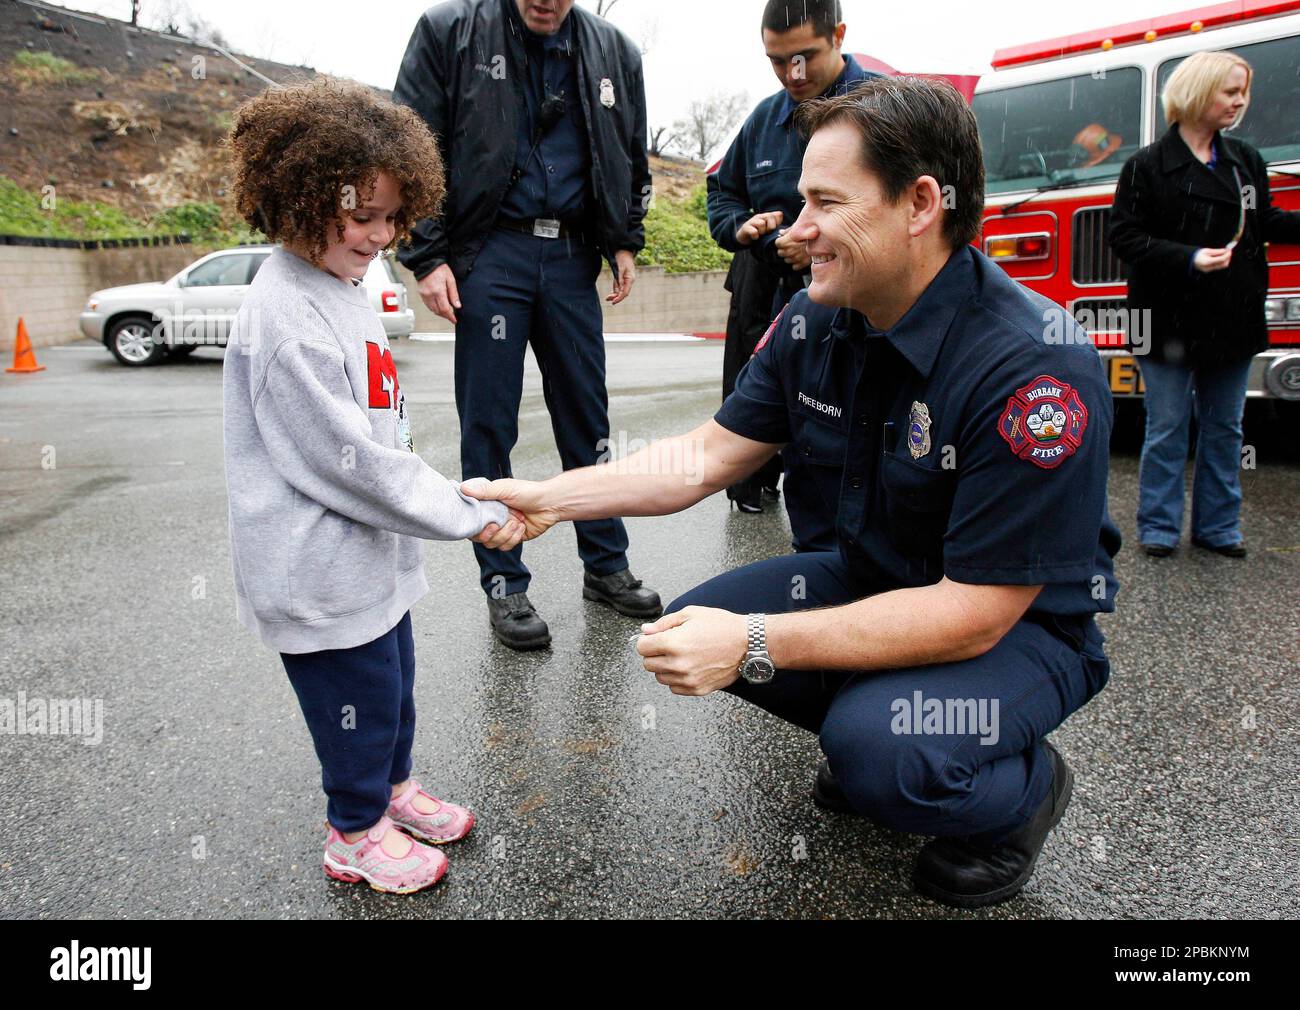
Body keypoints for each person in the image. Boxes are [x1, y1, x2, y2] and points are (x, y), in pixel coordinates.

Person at [466, 77, 1122, 908]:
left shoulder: (1030, 368)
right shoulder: (817, 317)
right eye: (797, 199)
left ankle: (1015, 793)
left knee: (874, 746)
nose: (797, 228)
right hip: (881, 576)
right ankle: (891, 735)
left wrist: (752, 641)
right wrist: (553, 500)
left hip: (1017, 628)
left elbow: (976, 612)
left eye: (824, 202)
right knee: (695, 624)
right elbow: (706, 456)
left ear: (920, 203)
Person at [222, 80, 525, 894]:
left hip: (367, 552)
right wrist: (464, 512)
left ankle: (392, 793)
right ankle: (354, 829)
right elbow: (346, 462)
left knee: (392, 683)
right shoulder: (286, 317)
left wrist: (435, 498)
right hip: (315, 565)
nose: (381, 234)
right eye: (360, 215)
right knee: (352, 703)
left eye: (393, 216)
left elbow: (380, 432)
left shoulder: (347, 285)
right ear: (298, 197)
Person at [392, 0, 662, 651]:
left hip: (572, 256)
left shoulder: (614, 50)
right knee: (489, 420)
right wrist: (426, 255)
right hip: (491, 251)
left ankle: (605, 564)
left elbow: (630, 146)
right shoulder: (448, 32)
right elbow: (409, 141)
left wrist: (623, 238)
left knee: (587, 418)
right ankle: (505, 584)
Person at [1109, 50, 1300, 559]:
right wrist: (1189, 258)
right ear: (1198, 92)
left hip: (1232, 318)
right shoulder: (1145, 166)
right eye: (1230, 92)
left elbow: (1269, 223)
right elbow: (1124, 236)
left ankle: (1218, 529)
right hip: (1166, 319)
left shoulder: (1245, 161)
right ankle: (1159, 529)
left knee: (1225, 429)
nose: (1240, 102)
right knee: (1167, 427)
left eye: (1244, 93)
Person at [707, 0, 878, 547]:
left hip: (853, 296)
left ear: (839, 36)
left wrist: (831, 243)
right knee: (760, 392)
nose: (793, 75)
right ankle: (755, 481)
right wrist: (741, 226)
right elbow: (722, 193)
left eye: (805, 56)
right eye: (778, 62)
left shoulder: (886, 111)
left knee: (844, 409)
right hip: (763, 288)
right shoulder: (762, 120)